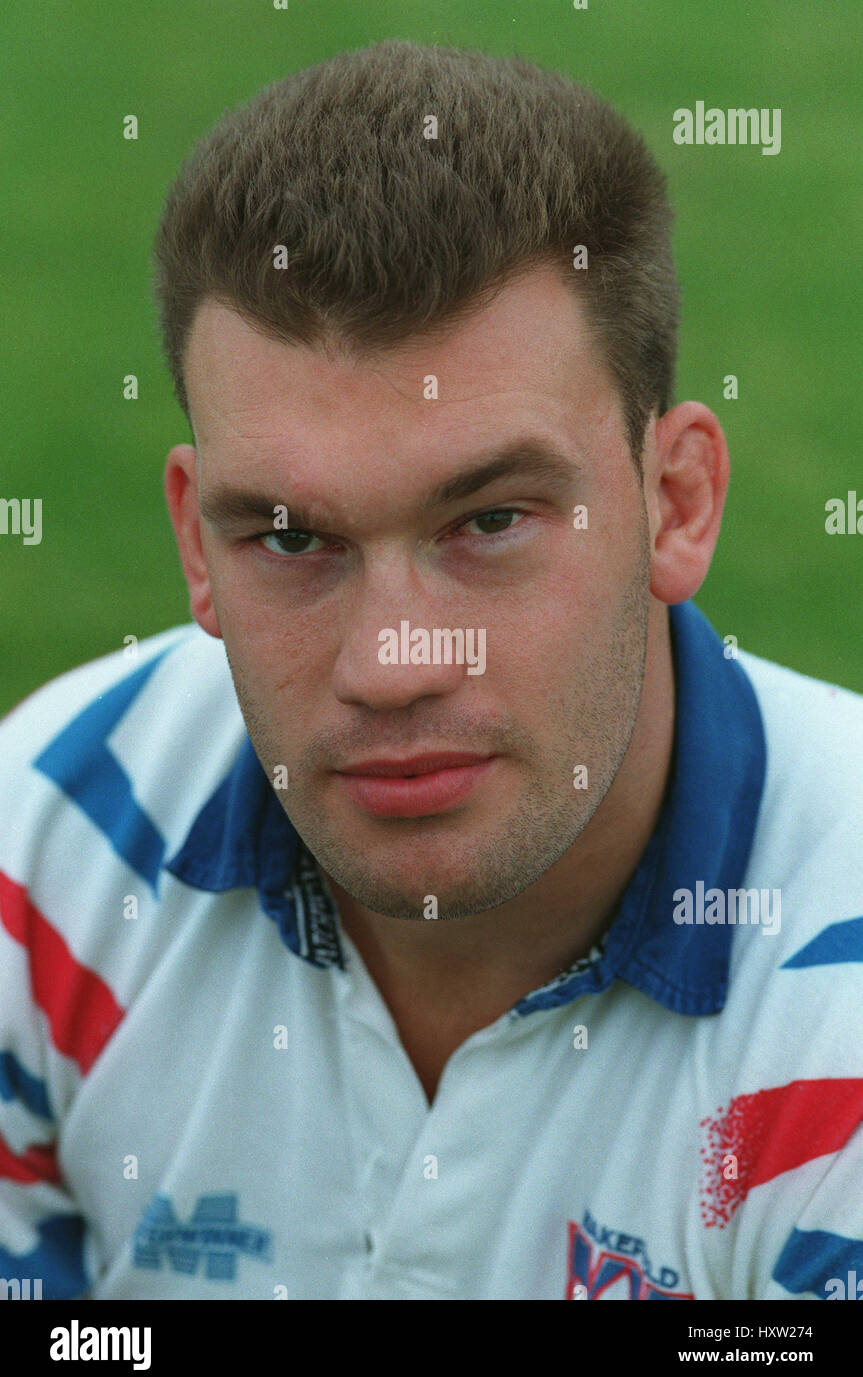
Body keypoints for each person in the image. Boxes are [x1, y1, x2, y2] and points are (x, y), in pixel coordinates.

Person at [1, 39, 861, 1303]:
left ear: (673, 501)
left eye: (490, 521)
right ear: (196, 540)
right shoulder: (57, 848)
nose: (391, 665)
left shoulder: (831, 1000)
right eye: (291, 537)